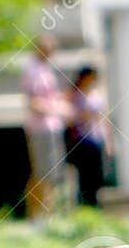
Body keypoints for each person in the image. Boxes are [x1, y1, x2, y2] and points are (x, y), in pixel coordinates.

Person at [19, 36, 68, 219]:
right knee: (41, 173)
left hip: (52, 126)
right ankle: (36, 215)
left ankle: (48, 213)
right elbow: (33, 101)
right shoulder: (31, 70)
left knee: (51, 173)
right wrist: (53, 109)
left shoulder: (46, 68)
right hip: (39, 127)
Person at [65, 65, 111, 209]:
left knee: (97, 173)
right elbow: (71, 118)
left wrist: (109, 140)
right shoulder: (75, 96)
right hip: (82, 139)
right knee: (84, 174)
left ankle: (95, 201)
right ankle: (85, 203)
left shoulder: (96, 95)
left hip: (97, 137)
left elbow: (104, 118)